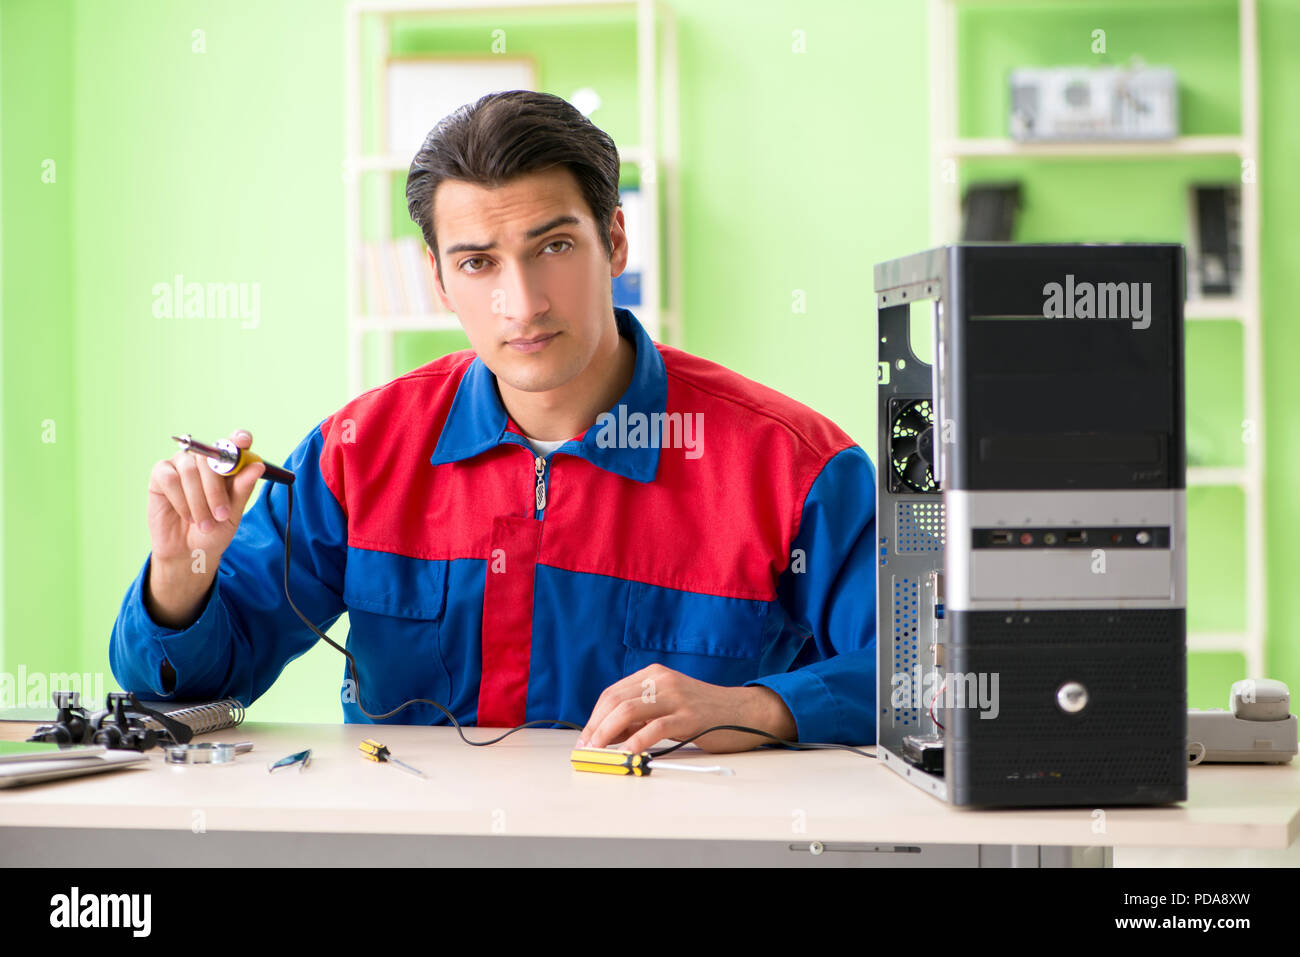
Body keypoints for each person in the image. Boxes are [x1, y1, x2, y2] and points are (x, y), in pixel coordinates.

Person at [109, 90, 878, 754]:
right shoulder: (358, 454)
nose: (525, 302)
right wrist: (184, 578)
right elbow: (188, 690)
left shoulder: (794, 468)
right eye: (479, 262)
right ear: (438, 276)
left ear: (615, 240)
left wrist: (757, 707)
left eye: (554, 246)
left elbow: (931, 675)